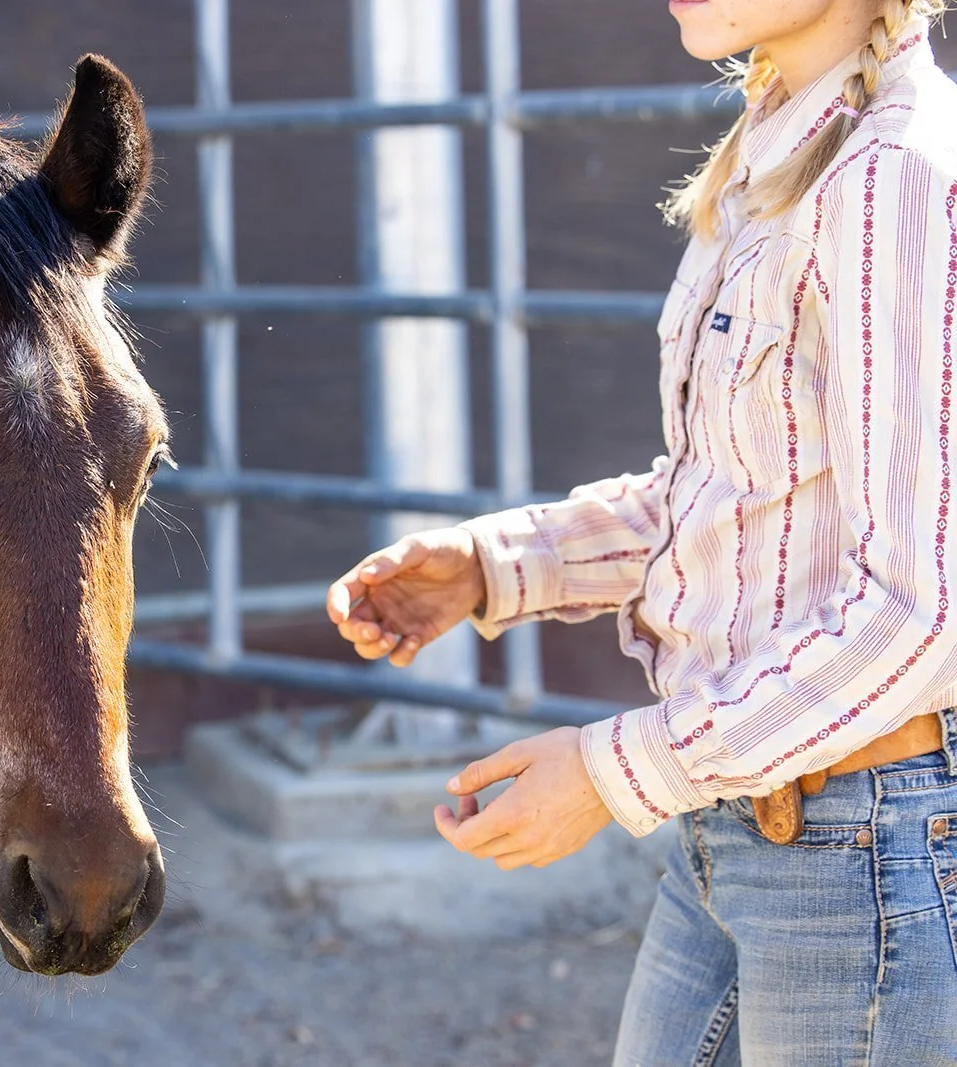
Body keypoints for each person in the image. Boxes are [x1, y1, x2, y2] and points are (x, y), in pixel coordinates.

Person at [327, 1, 957, 1062]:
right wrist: (494, 567)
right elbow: (735, 497)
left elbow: (918, 606)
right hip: (732, 825)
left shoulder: (891, 174)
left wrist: (610, 772)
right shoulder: (777, 148)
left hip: (855, 851)